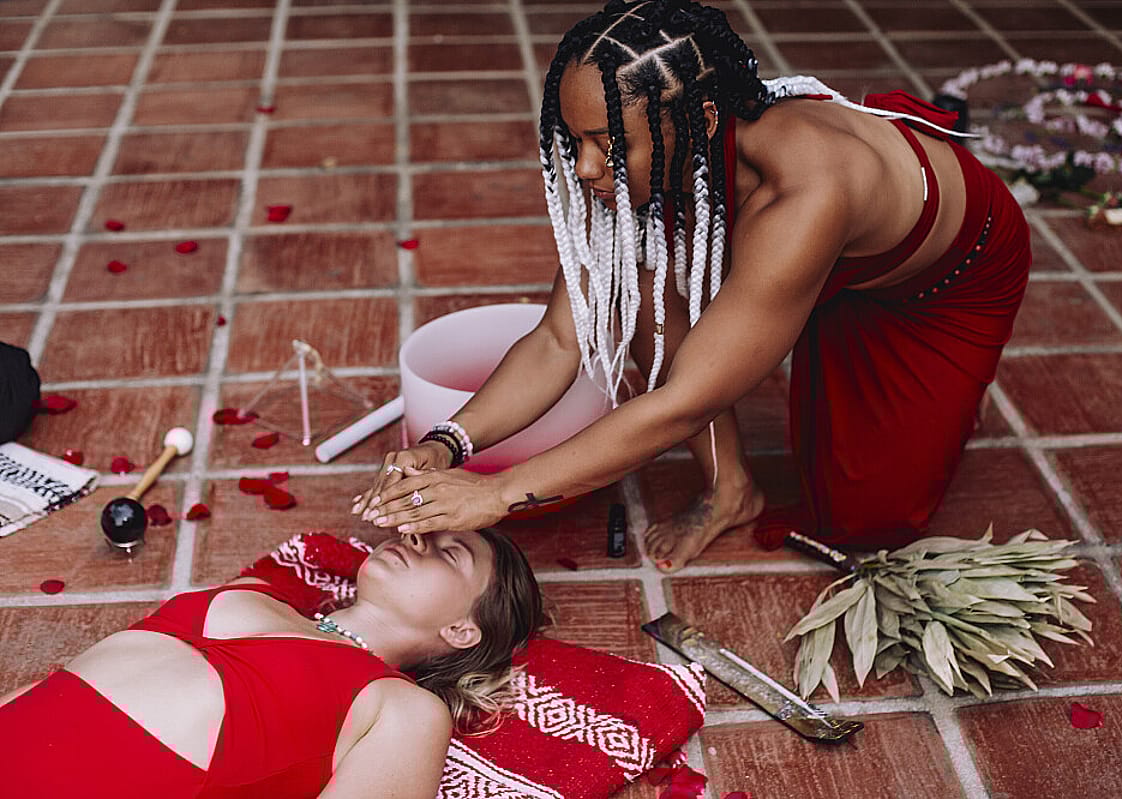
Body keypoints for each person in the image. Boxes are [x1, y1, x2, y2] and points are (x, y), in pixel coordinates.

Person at [351, 0, 1030, 572]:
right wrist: (445, 444)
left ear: (701, 122)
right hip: (797, 249)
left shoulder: (804, 191)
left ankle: (944, 403)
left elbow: (682, 404)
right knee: (639, 283)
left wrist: (498, 493)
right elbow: (560, 338)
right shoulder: (651, 148)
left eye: (609, 146)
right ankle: (730, 489)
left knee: (868, 519)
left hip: (944, 285)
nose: (585, 168)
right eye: (575, 140)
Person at [0, 529, 542, 799]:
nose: (415, 539)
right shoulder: (260, 591)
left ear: (462, 629)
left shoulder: (404, 708)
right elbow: (65, 686)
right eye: (420, 531)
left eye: (448, 553)